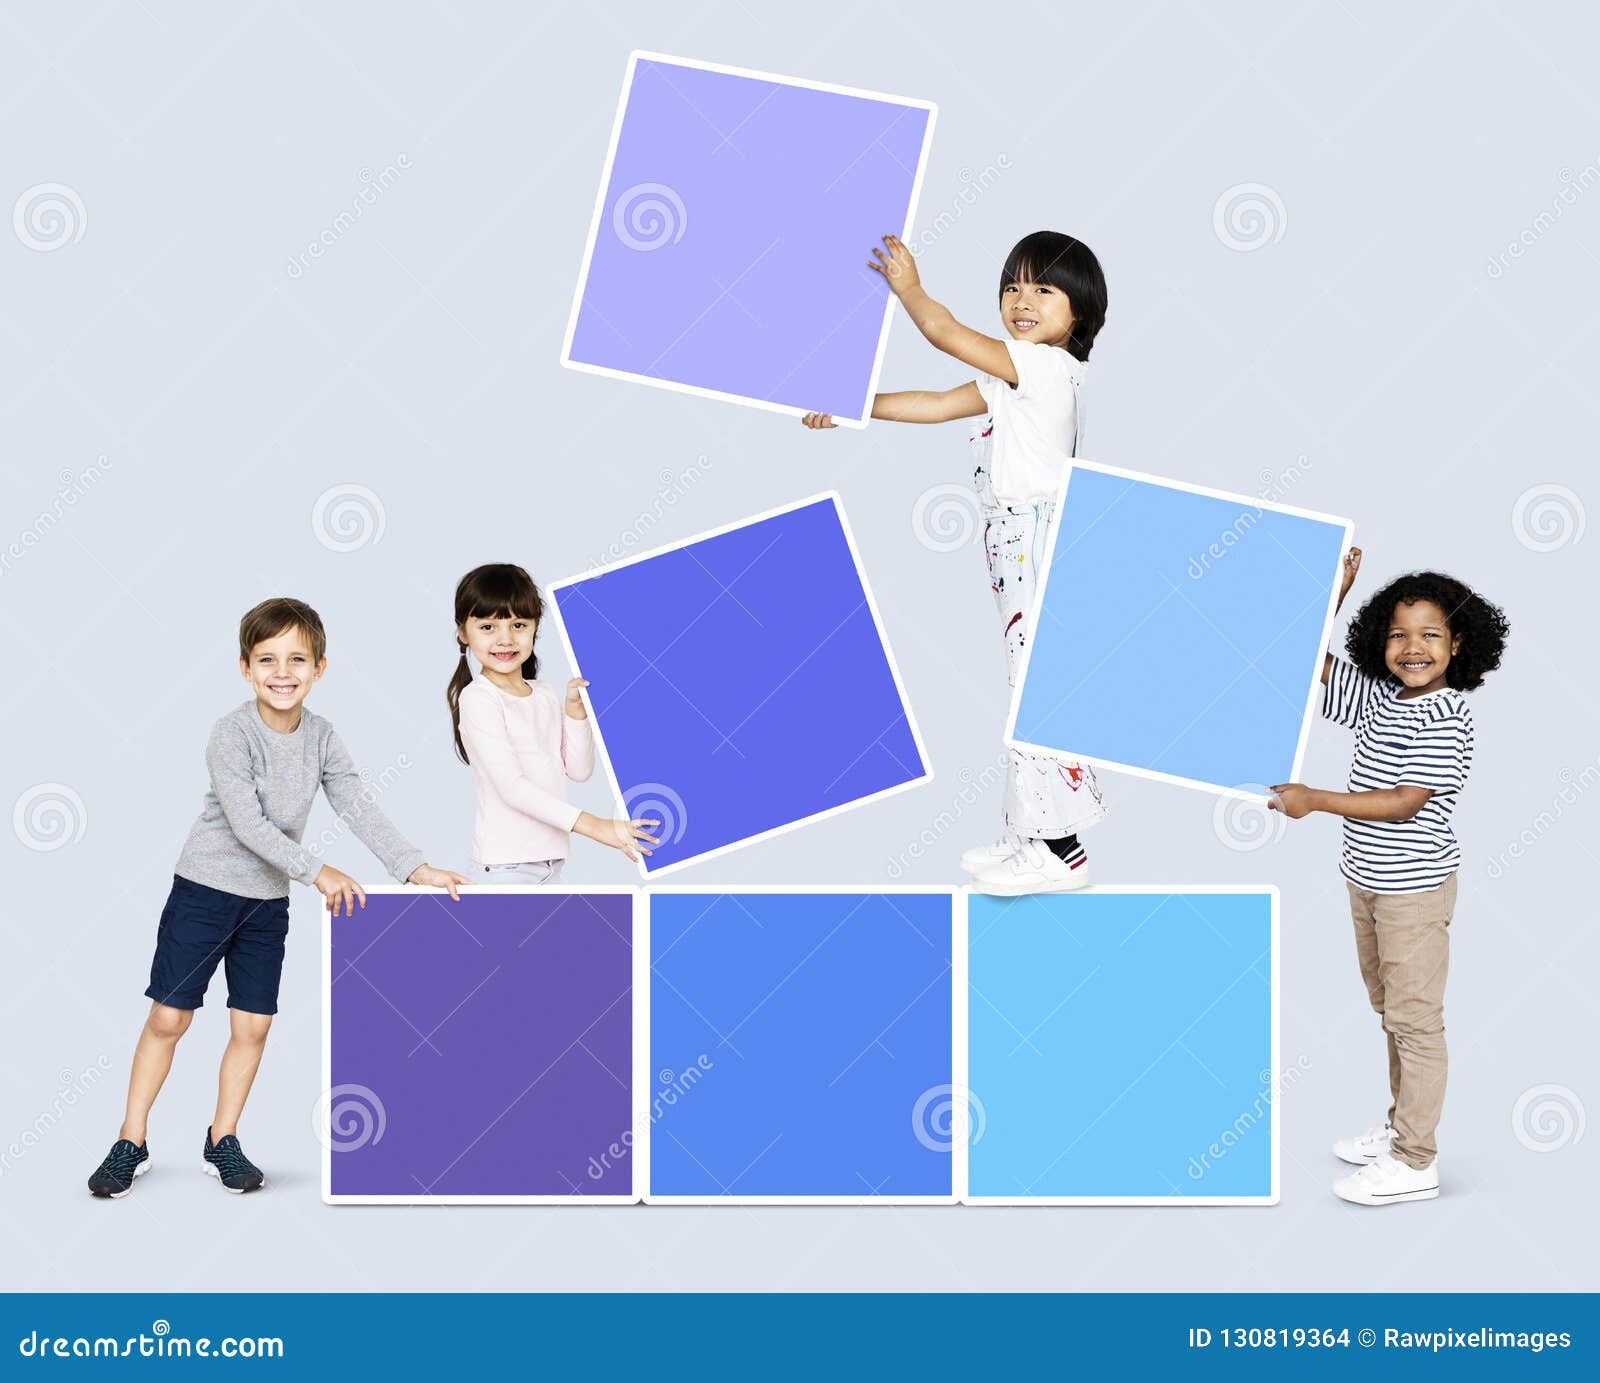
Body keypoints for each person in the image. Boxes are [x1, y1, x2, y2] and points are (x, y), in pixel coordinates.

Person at [87, 598, 470, 1198]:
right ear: (245, 668)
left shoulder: (322, 737)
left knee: (254, 1025)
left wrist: (412, 866)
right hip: (205, 892)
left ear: (320, 667)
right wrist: (319, 871)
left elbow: (356, 805)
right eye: (267, 659)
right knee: (170, 1016)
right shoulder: (231, 733)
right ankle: (130, 1140)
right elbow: (248, 826)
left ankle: (223, 1139)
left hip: (266, 904)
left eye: (297, 658)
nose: (282, 671)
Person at [803, 230, 1109, 892]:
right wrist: (855, 409)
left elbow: (942, 333)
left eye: (1043, 289)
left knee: (1033, 697)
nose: (1021, 299)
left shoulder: (1045, 368)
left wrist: (909, 289)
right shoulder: (1016, 374)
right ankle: (1042, 836)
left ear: (1078, 314)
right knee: (1028, 689)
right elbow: (939, 404)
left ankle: (1053, 851)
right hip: (1016, 543)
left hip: (1034, 541)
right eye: (1012, 286)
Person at [1271, 548, 1509, 1205]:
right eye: (1398, 633)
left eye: (1430, 634)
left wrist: (1313, 798)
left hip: (1413, 892)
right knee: (1390, 1012)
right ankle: (1400, 1125)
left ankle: (1415, 1159)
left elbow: (1405, 800)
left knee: (1416, 1021)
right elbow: (1306, 662)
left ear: (1458, 645)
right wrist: (1337, 590)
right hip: (1365, 881)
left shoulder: (1446, 716)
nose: (1412, 647)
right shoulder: (1379, 697)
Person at [448, 563, 658, 881]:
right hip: (505, 866)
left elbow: (579, 770)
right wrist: (597, 826)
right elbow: (512, 788)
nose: (505, 639)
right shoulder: (478, 699)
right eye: (488, 627)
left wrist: (575, 714)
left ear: (535, 628)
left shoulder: (544, 692)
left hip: (551, 863)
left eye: (518, 625)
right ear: (463, 633)